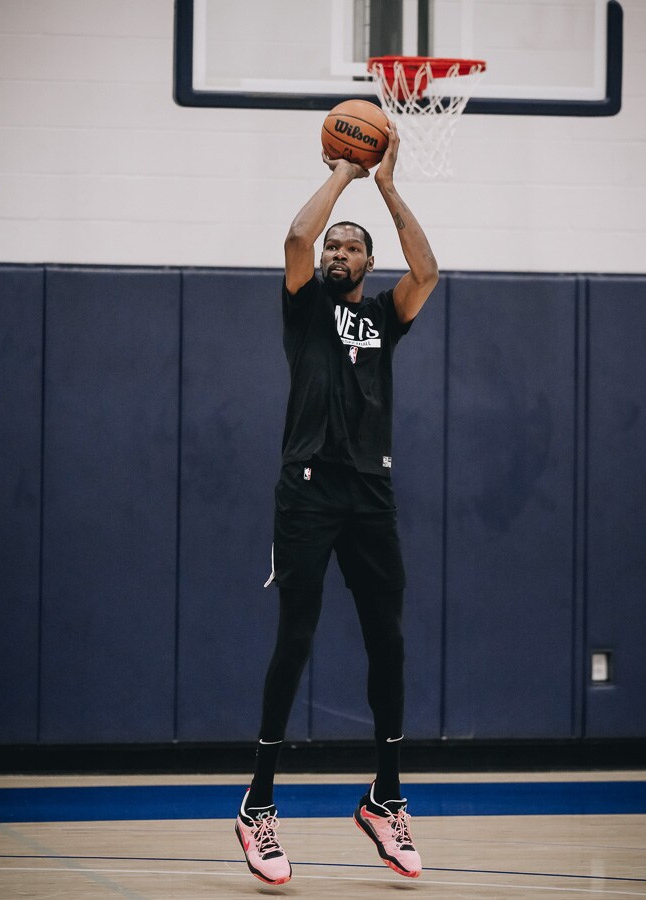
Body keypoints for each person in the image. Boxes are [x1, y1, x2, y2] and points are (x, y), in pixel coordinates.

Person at [235, 121, 439, 886]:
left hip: (370, 494)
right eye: (334, 247)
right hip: (309, 491)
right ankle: (258, 806)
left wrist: (387, 186)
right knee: (296, 638)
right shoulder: (305, 307)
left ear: (368, 263)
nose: (336, 253)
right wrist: (345, 174)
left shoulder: (385, 316)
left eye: (351, 248)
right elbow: (296, 236)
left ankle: (386, 799)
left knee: (389, 643)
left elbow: (429, 271)